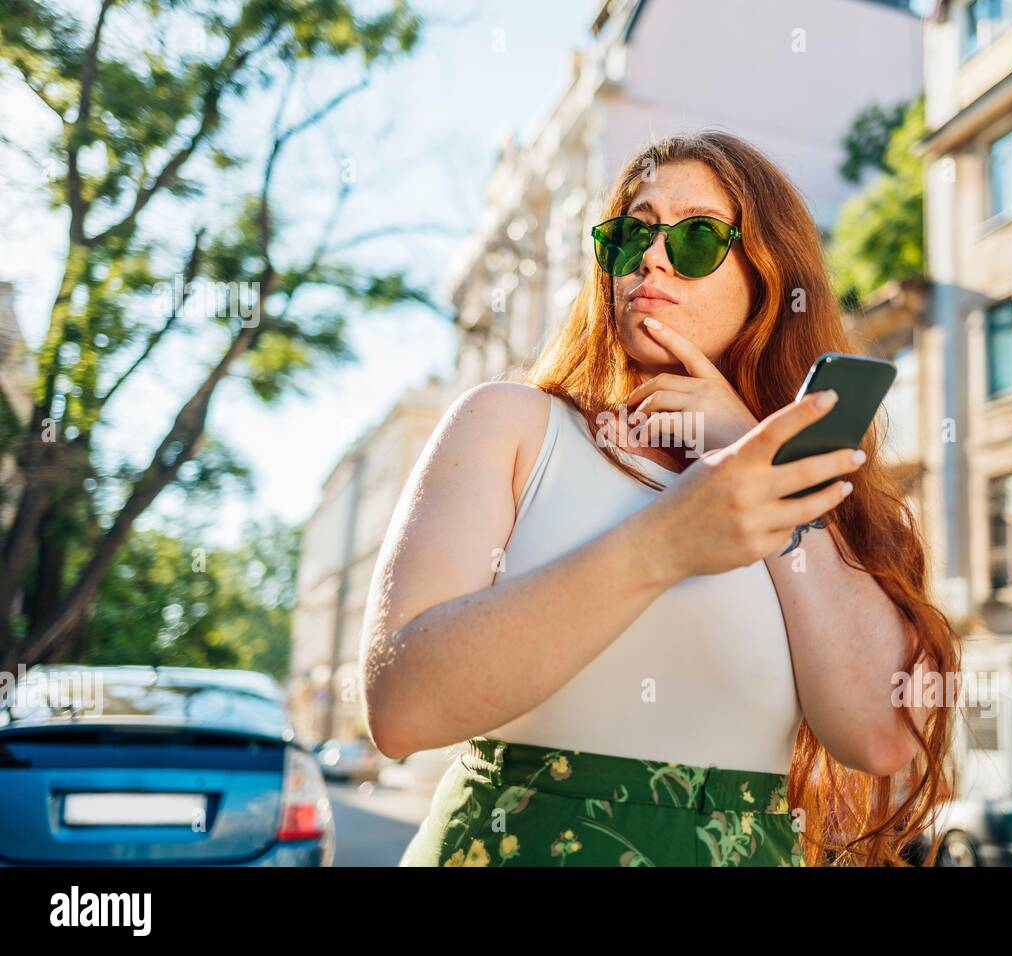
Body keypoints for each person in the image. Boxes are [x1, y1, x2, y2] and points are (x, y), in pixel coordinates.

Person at [361, 129, 960, 867]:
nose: (650, 256)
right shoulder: (510, 425)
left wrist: (754, 453)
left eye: (699, 238)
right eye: (632, 234)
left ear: (768, 280)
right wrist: (666, 540)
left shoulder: (816, 493)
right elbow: (399, 709)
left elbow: (878, 736)